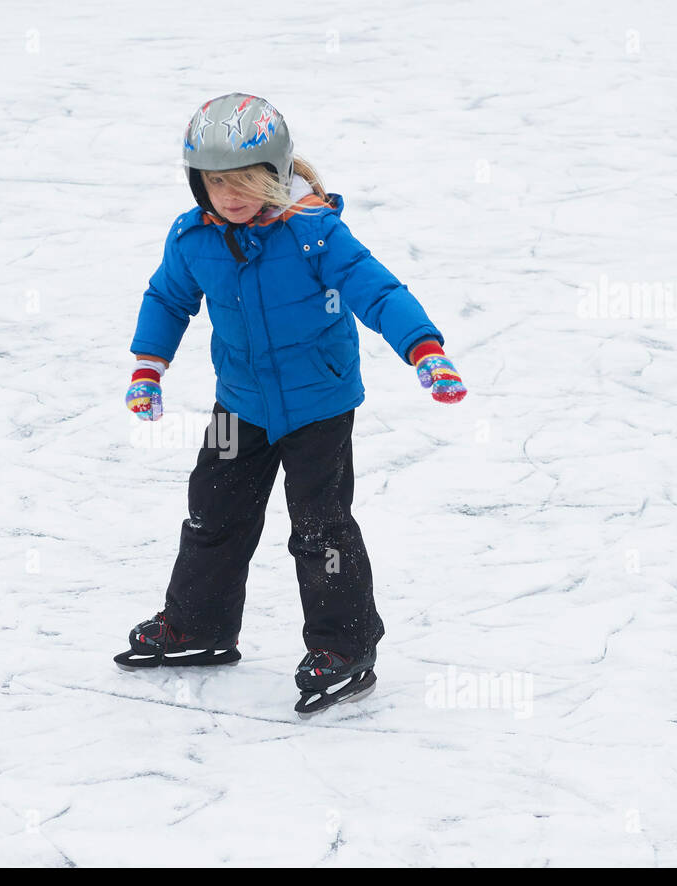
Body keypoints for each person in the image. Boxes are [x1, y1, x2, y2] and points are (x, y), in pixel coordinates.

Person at [117, 92, 467, 714]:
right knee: (212, 514)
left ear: (276, 174)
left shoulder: (314, 233)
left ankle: (344, 647)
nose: (229, 196)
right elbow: (168, 300)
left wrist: (425, 351)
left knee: (321, 527)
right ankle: (198, 626)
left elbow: (378, 292)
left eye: (245, 181)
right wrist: (150, 367)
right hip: (239, 405)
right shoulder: (193, 236)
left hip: (318, 407)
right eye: (215, 181)